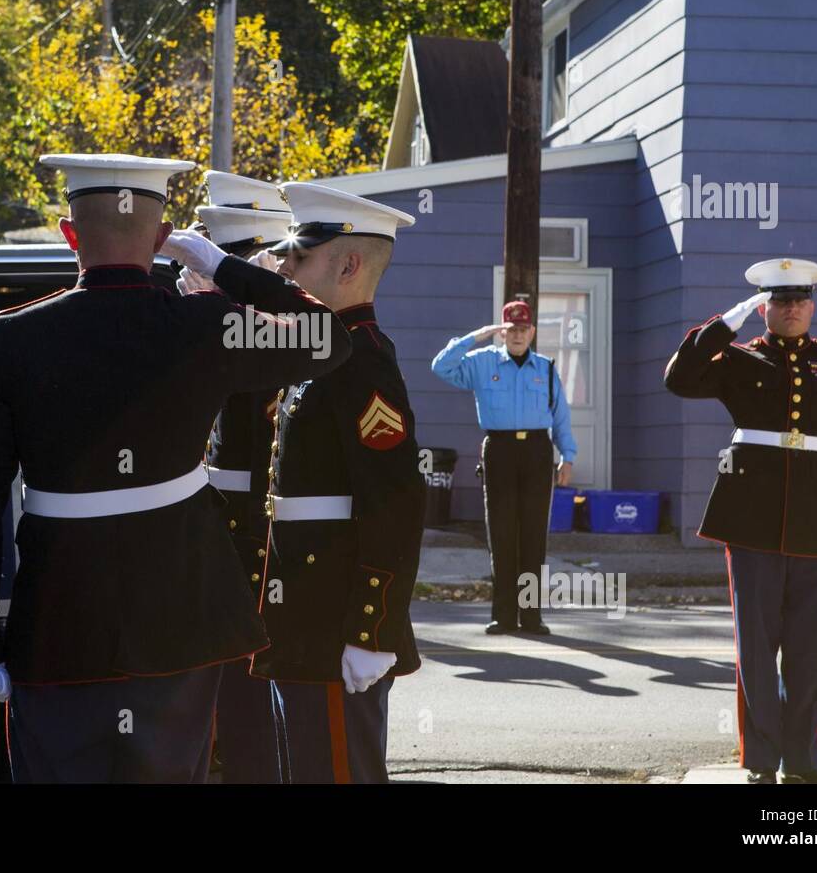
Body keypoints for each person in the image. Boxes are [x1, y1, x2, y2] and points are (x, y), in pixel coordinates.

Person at [0, 154, 351, 783]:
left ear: (69, 233)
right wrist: (223, 266)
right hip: (179, 620)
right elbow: (326, 338)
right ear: (162, 240)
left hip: (59, 621)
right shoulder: (203, 326)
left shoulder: (11, 340)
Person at [663, 258, 817, 785]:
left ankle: (804, 759)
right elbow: (679, 377)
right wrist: (725, 322)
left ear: (813, 304)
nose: (793, 308)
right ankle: (761, 759)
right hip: (750, 515)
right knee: (756, 644)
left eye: (801, 299)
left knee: (810, 648)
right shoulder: (736, 358)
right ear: (765, 309)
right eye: (781, 301)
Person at [251, 181, 425, 784]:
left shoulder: (360, 358)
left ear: (348, 263)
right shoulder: (321, 353)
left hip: (333, 623)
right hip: (302, 617)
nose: (283, 266)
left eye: (297, 257)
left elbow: (396, 499)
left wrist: (372, 629)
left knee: (336, 770)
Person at [184, 170, 294, 783]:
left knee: (250, 687)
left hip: (253, 527)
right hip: (232, 521)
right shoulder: (236, 326)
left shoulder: (263, 331)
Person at [431, 301, 576, 635]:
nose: (517, 335)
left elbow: (561, 416)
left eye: (523, 329)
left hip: (538, 451)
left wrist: (567, 456)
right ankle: (504, 616)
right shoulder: (483, 363)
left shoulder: (545, 368)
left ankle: (531, 616)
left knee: (533, 536)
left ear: (532, 332)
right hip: (500, 450)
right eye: (511, 329)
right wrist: (477, 336)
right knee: (501, 534)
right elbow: (441, 365)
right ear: (501, 331)